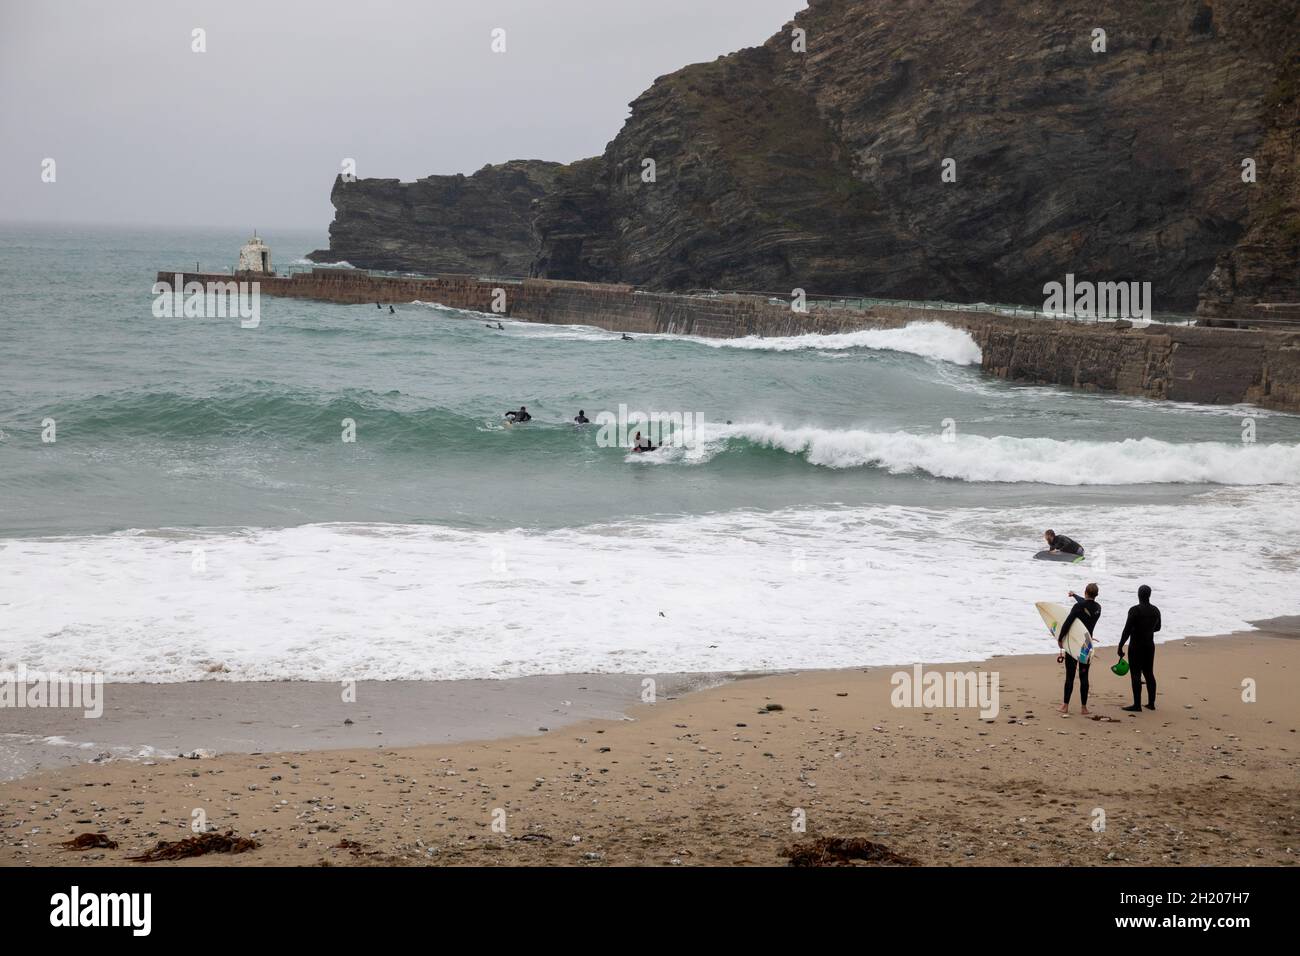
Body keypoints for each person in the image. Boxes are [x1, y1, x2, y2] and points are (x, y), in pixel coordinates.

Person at [1056, 583, 1100, 715]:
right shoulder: (1098, 608)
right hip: (1087, 645)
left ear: (1085, 591)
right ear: (1096, 595)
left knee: (1070, 675)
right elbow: (1086, 604)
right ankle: (1084, 708)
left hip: (1074, 644)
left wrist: (1060, 638)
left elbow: (1068, 623)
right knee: (1084, 676)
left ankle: (1065, 706)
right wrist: (1074, 595)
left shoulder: (1078, 607)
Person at [1117, 585, 1161, 712]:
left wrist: (1120, 645)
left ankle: (1137, 705)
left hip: (1136, 646)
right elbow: (1158, 628)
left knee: (1135, 674)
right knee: (1149, 673)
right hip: (1149, 645)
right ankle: (1151, 703)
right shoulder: (1155, 610)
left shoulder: (1134, 610)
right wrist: (1147, 629)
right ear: (1149, 595)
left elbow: (1127, 630)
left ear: (1138, 594)